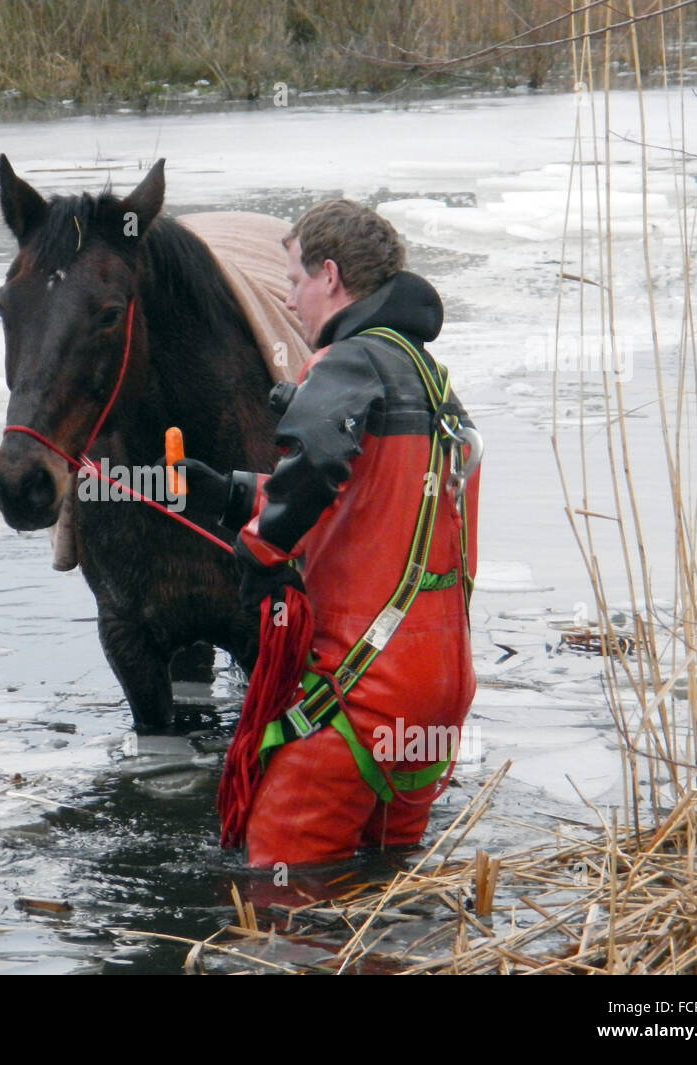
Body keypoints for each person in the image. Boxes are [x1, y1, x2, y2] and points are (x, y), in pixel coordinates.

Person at [178, 199, 480, 869]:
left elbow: (316, 456)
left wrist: (259, 547)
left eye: (293, 280)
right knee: (383, 889)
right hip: (439, 692)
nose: (288, 299)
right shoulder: (434, 384)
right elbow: (368, 506)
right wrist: (230, 493)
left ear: (331, 277)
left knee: (280, 888)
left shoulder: (349, 361)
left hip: (365, 688)